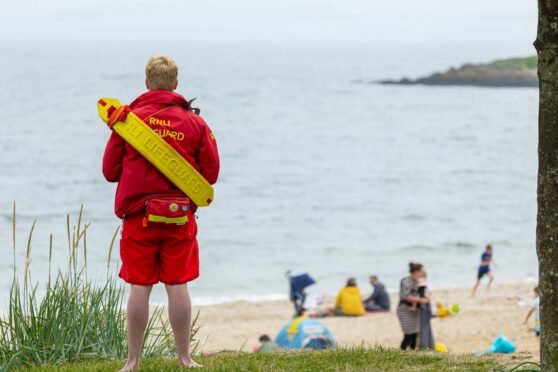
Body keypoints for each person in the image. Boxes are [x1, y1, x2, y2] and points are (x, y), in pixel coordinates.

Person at [102, 55, 220, 371]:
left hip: (139, 218)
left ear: (146, 83)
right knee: (177, 284)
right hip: (179, 218)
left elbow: (110, 171)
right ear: (176, 85)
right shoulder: (195, 123)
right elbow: (210, 174)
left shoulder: (128, 123)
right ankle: (185, 358)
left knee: (140, 286)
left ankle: (133, 361)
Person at [397, 262, 429, 350]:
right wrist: (421, 300)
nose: (421, 272)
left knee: (415, 333)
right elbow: (407, 296)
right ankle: (402, 351)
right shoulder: (406, 281)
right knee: (408, 333)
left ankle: (412, 351)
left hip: (415, 310)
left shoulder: (417, 281)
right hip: (405, 309)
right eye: (420, 271)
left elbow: (423, 292)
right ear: (415, 271)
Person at [416, 271, 435, 349]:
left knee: (424, 328)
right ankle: (422, 345)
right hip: (421, 308)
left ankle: (424, 345)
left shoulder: (426, 286)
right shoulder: (420, 286)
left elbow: (429, 297)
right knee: (420, 328)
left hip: (424, 308)